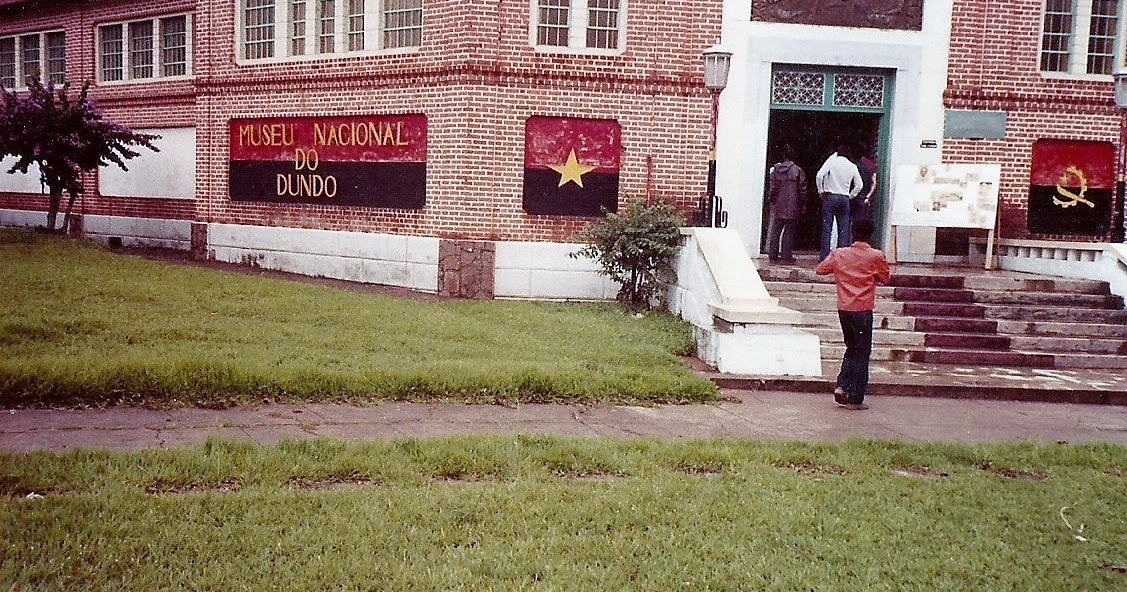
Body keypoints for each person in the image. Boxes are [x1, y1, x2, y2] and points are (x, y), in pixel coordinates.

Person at [815, 217, 890, 410]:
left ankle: (843, 385)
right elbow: (886, 278)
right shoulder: (876, 256)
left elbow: (821, 270)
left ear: (852, 233)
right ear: (871, 235)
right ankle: (855, 397)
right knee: (862, 352)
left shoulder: (839, 254)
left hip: (844, 308)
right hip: (863, 309)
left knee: (851, 348)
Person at [815, 144, 863, 261]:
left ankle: (825, 257)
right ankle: (842, 258)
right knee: (844, 229)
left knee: (827, 227)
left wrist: (821, 191)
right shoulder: (852, 166)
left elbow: (819, 176)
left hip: (831, 197)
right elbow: (859, 185)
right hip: (844, 199)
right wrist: (850, 196)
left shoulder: (832, 162)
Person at [765, 146, 807, 263]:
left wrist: (772, 200)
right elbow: (802, 189)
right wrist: (803, 204)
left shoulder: (776, 170)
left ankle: (773, 256)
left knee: (776, 230)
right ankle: (786, 256)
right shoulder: (797, 170)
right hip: (793, 204)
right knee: (789, 231)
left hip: (779, 204)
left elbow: (773, 188)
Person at [851, 145, 878, 224]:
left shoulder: (852, 165)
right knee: (860, 222)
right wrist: (868, 196)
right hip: (863, 198)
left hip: (852, 197)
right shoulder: (870, 165)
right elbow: (874, 182)